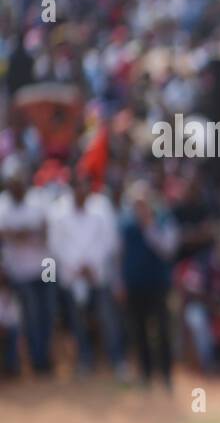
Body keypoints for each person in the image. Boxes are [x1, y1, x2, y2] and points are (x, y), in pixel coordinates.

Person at [47, 173, 126, 375]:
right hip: (72, 276)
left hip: (98, 275)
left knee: (107, 318)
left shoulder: (102, 208)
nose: (81, 192)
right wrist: (77, 267)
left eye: (85, 188)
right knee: (77, 322)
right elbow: (55, 246)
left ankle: (117, 360)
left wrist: (93, 265)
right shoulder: (58, 212)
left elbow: (110, 241)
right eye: (77, 188)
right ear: (71, 190)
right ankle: (84, 361)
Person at [119, 181, 179, 388]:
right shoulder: (125, 224)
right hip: (134, 286)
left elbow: (168, 250)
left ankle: (166, 375)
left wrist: (150, 227)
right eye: (137, 204)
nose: (140, 208)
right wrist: (120, 282)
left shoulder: (164, 220)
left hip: (158, 286)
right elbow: (119, 255)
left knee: (162, 331)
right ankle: (145, 375)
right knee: (140, 332)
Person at [0, 160, 55, 374]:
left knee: (49, 313)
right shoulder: (3, 204)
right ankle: (38, 361)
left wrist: (21, 233)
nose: (17, 186)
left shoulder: (38, 199)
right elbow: (4, 234)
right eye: (13, 182)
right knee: (31, 317)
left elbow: (46, 229)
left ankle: (46, 358)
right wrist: (21, 233)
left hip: (46, 266)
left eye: (19, 181)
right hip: (20, 271)